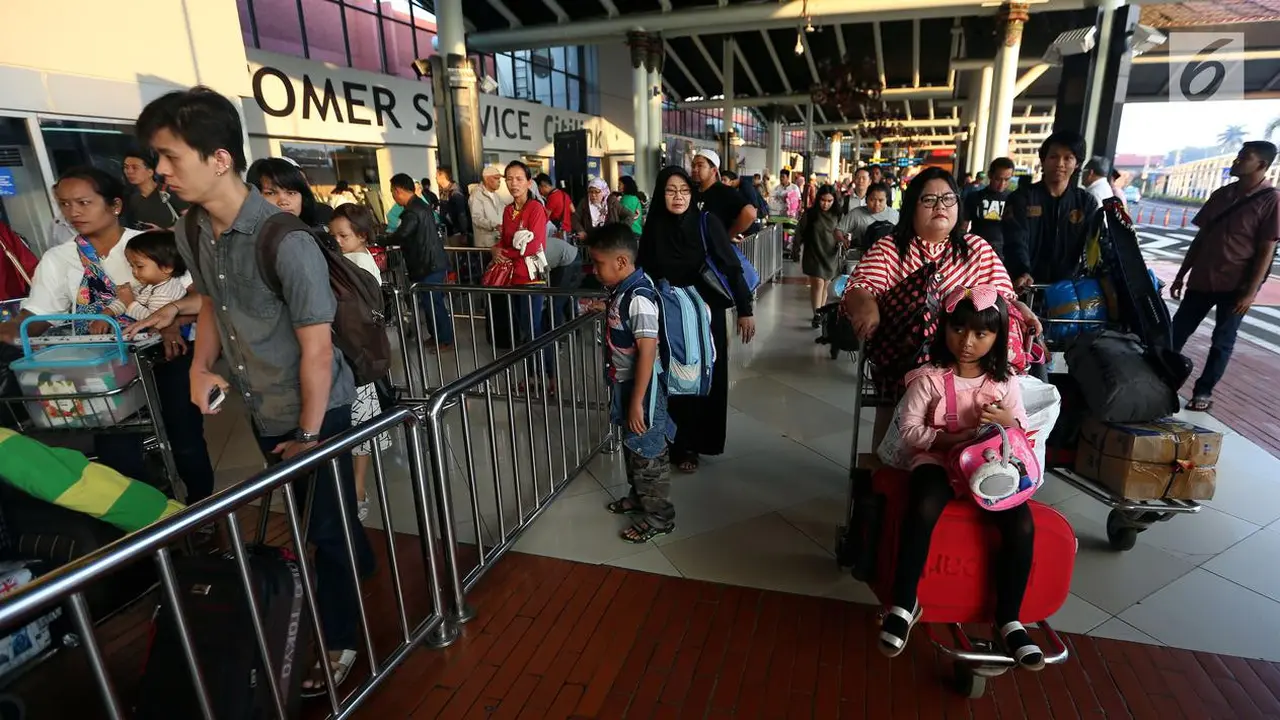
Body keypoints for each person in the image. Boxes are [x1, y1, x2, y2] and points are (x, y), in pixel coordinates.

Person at [129, 86, 374, 695]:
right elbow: (214, 302)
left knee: (323, 528)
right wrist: (199, 365)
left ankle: (342, 639)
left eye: (170, 156)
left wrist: (310, 434)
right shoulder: (191, 228)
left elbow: (317, 349)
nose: (161, 171)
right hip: (263, 404)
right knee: (319, 511)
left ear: (219, 159)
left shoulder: (285, 239)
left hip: (319, 408)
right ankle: (362, 563)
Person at [0, 166, 215, 507]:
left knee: (184, 439)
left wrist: (171, 323)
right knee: (117, 451)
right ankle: (145, 522)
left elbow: (194, 297)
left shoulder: (150, 244)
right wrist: (10, 332)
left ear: (115, 205)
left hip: (164, 358)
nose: (73, 212)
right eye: (64, 204)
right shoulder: (59, 259)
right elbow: (37, 314)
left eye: (83, 202)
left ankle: (206, 515)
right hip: (103, 371)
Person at [879, 285, 1042, 670]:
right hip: (937, 461)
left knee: (1021, 523)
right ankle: (905, 601)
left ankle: (1009, 616)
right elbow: (910, 431)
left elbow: (1021, 433)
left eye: (981, 334)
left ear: (997, 337)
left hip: (988, 467)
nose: (967, 342)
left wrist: (1008, 422)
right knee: (924, 504)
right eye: (958, 329)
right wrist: (954, 439)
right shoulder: (929, 379)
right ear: (944, 329)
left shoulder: (1004, 382)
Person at [842, 167, 1040, 445]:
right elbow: (860, 286)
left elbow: (1004, 297)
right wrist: (865, 304)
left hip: (971, 365)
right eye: (929, 199)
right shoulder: (890, 248)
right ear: (912, 206)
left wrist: (1023, 311)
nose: (940, 206)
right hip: (904, 364)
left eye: (948, 199)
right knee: (897, 426)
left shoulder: (976, 248)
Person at [638, 166, 755, 473]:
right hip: (668, 315)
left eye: (684, 190)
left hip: (705, 314)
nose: (678, 197)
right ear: (661, 194)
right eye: (670, 191)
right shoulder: (654, 227)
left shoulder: (706, 222)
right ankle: (673, 440)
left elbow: (731, 266)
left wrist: (745, 310)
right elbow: (643, 270)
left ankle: (695, 443)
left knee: (703, 376)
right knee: (670, 376)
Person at [1170, 140, 1280, 413]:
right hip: (1202, 278)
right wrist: (1182, 274)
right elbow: (1200, 238)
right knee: (1176, 333)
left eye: (1244, 157)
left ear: (1262, 164)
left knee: (1222, 341)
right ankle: (1162, 379)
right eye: (1239, 155)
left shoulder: (1271, 200)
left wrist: (1250, 292)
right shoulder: (1221, 195)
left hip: (1236, 285)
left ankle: (1204, 390)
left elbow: (1267, 249)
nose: (1236, 160)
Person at [590, 223, 677, 542]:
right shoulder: (623, 290)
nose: (594, 270)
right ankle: (639, 498)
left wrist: (638, 402)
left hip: (644, 390)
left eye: (598, 263)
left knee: (648, 451)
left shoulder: (639, 297)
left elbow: (647, 352)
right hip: (627, 385)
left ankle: (659, 517)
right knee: (633, 445)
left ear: (621, 262)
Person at [330, 203, 392, 521]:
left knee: (358, 425)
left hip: (353, 356)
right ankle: (356, 488)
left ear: (362, 235)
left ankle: (356, 489)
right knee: (361, 424)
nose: (337, 242)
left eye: (343, 236)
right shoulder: (359, 259)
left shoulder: (354, 265)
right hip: (359, 356)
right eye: (333, 236)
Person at [1002, 131, 1100, 290]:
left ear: (1077, 163)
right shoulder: (1021, 198)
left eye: (1068, 158)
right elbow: (1015, 240)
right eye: (1054, 157)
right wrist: (1022, 271)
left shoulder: (1086, 203)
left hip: (1069, 290)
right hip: (1027, 286)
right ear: (1043, 160)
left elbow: (1094, 246)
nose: (1060, 163)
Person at [390, 172, 453, 351]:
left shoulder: (412, 210)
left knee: (434, 303)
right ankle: (436, 336)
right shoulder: (419, 205)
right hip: (429, 262)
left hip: (429, 264)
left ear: (398, 190)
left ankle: (445, 339)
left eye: (392, 191)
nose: (393, 196)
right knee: (429, 303)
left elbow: (402, 234)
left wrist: (382, 240)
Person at [494, 161, 550, 347]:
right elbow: (504, 240)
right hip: (513, 277)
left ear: (529, 182)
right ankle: (532, 364)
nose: (514, 183)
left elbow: (534, 246)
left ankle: (545, 365)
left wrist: (506, 253)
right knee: (524, 326)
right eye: (509, 179)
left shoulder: (536, 208)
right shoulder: (508, 210)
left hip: (532, 277)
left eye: (519, 179)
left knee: (533, 328)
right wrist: (495, 249)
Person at [106, 231, 191, 322]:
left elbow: (154, 321)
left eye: (139, 266)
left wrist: (129, 302)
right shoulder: (150, 285)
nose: (134, 271)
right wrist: (105, 315)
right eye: (132, 266)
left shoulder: (165, 293)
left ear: (167, 267)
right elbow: (126, 300)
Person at [798, 184, 843, 326]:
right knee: (818, 283)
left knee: (826, 284)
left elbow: (842, 231)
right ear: (818, 199)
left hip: (830, 254)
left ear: (834, 200)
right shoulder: (811, 214)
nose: (826, 204)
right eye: (823, 200)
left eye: (829, 201)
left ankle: (821, 312)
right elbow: (800, 231)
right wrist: (796, 248)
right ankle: (817, 314)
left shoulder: (838, 215)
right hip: (813, 252)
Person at [246, 157, 330, 233]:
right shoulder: (245, 239)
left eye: (291, 193)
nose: (283, 201)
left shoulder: (320, 233)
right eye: (271, 193)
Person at [690, 149, 757, 239]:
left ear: (713, 170)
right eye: (693, 165)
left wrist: (728, 236)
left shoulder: (724, 191)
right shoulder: (692, 190)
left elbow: (750, 213)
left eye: (700, 165)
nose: (694, 169)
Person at [122, 150, 189, 231]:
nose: (129, 172)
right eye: (126, 167)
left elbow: (192, 221)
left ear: (150, 172)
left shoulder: (169, 191)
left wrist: (164, 231)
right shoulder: (131, 199)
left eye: (135, 167)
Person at [964, 157, 1015, 261]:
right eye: (998, 179)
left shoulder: (1014, 199)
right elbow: (963, 226)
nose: (1002, 184)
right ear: (990, 175)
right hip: (976, 250)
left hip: (1003, 253)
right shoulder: (974, 197)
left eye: (1007, 180)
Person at [838, 182, 899, 250]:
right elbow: (838, 230)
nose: (876, 204)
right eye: (872, 200)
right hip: (861, 254)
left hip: (888, 254)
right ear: (866, 199)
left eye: (881, 200)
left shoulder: (895, 215)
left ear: (886, 200)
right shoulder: (856, 213)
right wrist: (842, 240)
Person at [545, 231, 583, 329]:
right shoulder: (538, 242)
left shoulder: (532, 253)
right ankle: (575, 330)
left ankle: (557, 332)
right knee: (570, 297)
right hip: (574, 255)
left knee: (556, 301)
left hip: (567, 261)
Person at [470, 166, 507, 249]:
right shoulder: (476, 195)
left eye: (499, 179)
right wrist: (494, 225)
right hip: (485, 245)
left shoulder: (496, 196)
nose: (499, 181)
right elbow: (476, 218)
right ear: (486, 179)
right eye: (496, 178)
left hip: (498, 242)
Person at [436, 166, 471, 243]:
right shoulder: (445, 192)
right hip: (449, 232)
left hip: (456, 233)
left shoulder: (455, 193)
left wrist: (464, 233)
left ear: (442, 176)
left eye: (437, 175)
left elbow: (461, 213)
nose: (435, 178)